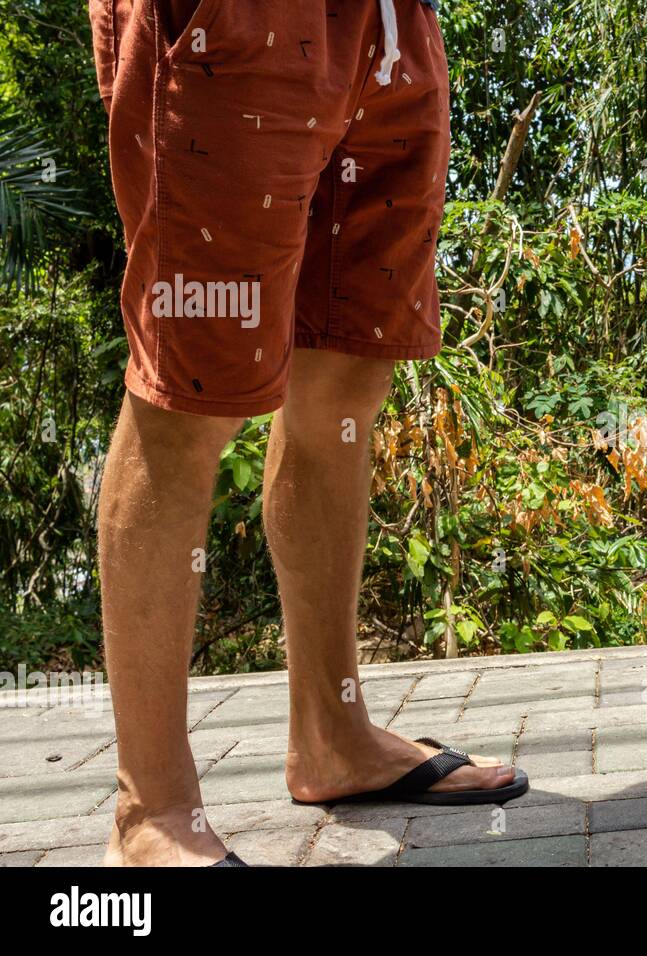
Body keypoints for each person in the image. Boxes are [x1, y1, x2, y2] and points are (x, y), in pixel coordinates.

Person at [89, 0, 526, 867]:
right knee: (191, 389)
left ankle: (333, 735)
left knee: (350, 365)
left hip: (393, 26)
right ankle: (152, 815)